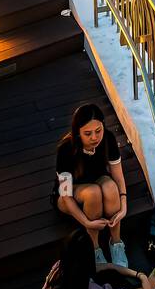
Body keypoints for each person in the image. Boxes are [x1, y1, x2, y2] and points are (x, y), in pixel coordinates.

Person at [52, 103, 130, 267]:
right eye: (88, 133)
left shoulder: (108, 138)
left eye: (98, 131)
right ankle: (94, 249)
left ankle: (116, 243)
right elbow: (65, 195)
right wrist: (86, 223)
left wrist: (123, 206)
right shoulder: (66, 149)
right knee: (93, 192)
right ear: (78, 133)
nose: (94, 137)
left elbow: (118, 176)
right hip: (70, 193)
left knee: (110, 187)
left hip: (97, 179)